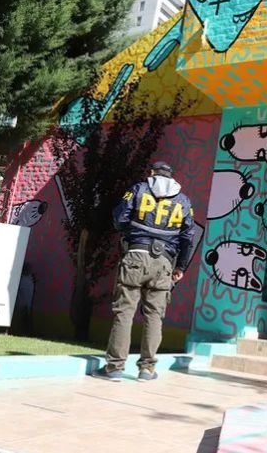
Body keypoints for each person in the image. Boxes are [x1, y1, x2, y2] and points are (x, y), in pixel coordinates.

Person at [92, 161, 195, 382]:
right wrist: (181, 267)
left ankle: (115, 368)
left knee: (124, 312)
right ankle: (147, 370)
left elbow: (119, 219)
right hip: (164, 263)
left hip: (135, 256)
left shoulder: (138, 189)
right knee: (155, 316)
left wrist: (130, 229)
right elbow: (188, 237)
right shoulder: (184, 201)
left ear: (151, 173)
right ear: (172, 177)